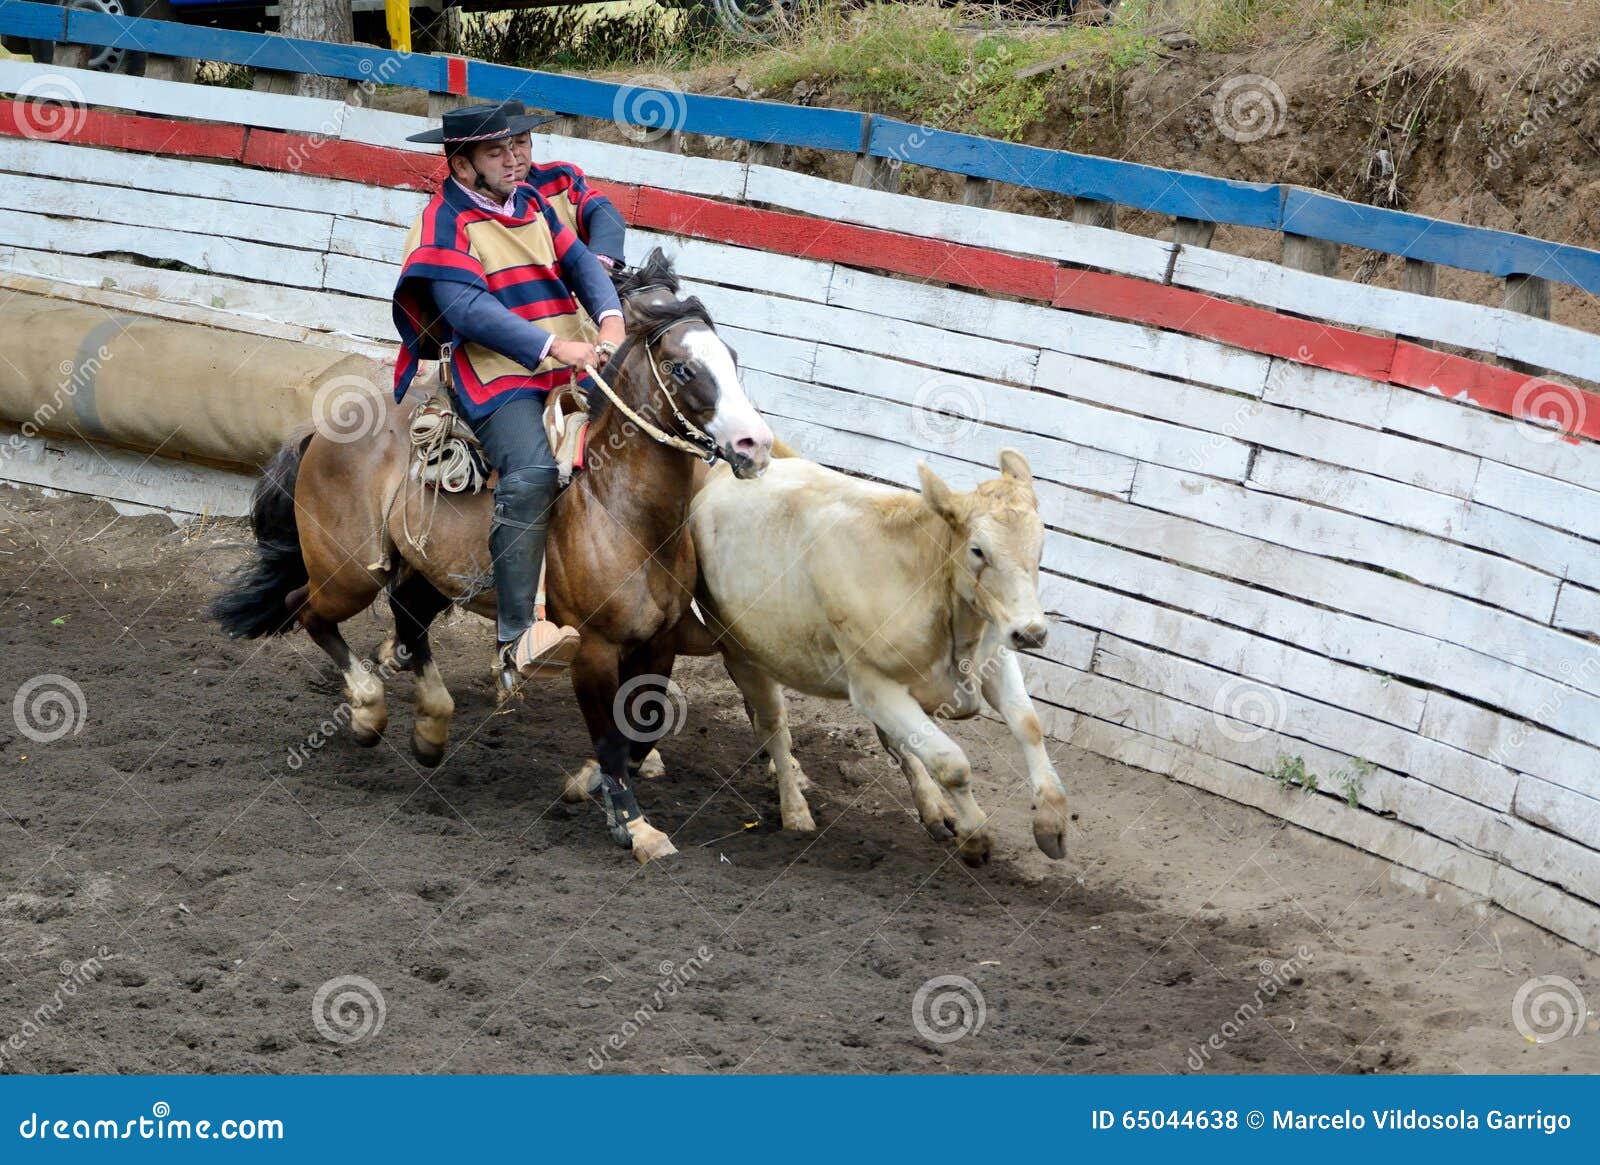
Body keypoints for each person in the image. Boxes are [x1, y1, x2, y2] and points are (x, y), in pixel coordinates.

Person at [390, 103, 627, 688]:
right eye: (497, 151)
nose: (515, 158)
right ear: (462, 163)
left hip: (570, 355)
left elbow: (581, 263)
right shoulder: (441, 222)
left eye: (518, 145)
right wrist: (556, 347)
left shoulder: (534, 202)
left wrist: (611, 317)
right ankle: (517, 635)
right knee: (531, 472)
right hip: (496, 373)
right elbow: (467, 311)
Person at [499, 99, 627, 270]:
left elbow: (602, 212)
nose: (515, 153)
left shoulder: (561, 179)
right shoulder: (476, 201)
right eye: (504, 147)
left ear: (531, 143)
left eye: (521, 142)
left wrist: (599, 264)